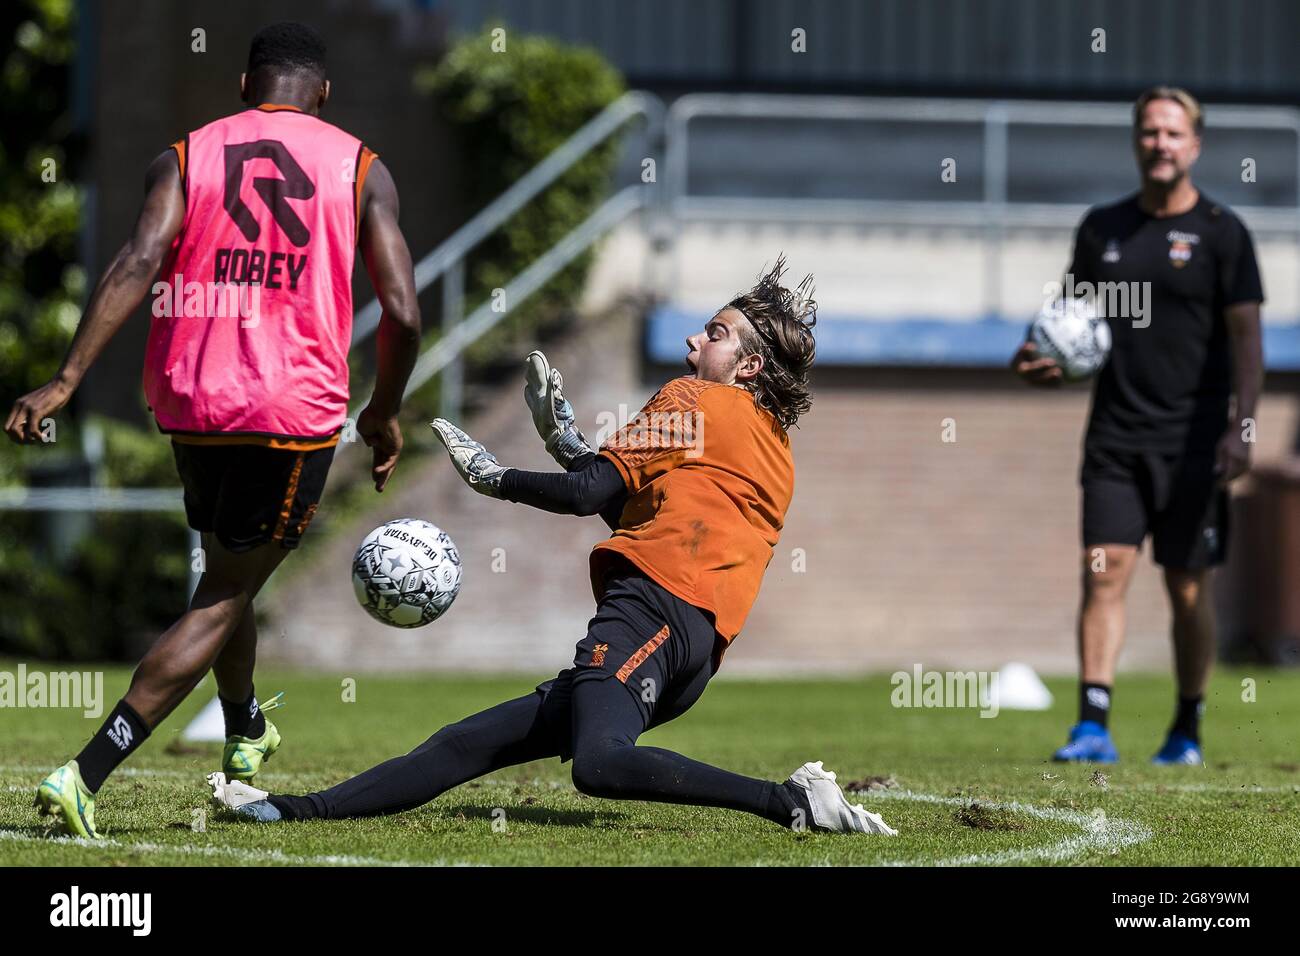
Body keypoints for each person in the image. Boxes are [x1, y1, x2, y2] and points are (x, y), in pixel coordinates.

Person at [211, 259, 898, 835]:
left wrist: (495, 477)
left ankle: (788, 802)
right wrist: (568, 445)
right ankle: (289, 810)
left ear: (747, 365)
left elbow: (584, 495)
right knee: (469, 743)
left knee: (599, 764)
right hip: (689, 646)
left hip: (649, 614)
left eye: (714, 334)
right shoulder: (774, 450)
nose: (694, 342)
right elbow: (630, 512)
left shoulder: (694, 400)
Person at [6, 22, 422, 837]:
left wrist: (65, 380)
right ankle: (86, 773)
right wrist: (382, 410)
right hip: (289, 413)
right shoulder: (362, 166)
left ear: (243, 86)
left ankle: (243, 733)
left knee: (228, 572)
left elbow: (136, 261)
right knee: (229, 587)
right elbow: (403, 312)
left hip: (193, 401)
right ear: (324, 94)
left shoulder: (188, 154)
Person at [1011, 87, 1265, 765]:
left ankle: (1186, 728)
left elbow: (1247, 342)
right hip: (1116, 441)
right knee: (1104, 573)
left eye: (1174, 133)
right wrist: (1037, 360)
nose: (1161, 143)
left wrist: (1241, 429)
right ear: (1136, 141)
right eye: (1150, 131)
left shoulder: (1222, 232)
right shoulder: (1102, 230)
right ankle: (1092, 725)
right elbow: (1068, 323)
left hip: (1195, 445)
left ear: (1195, 145)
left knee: (1187, 588)